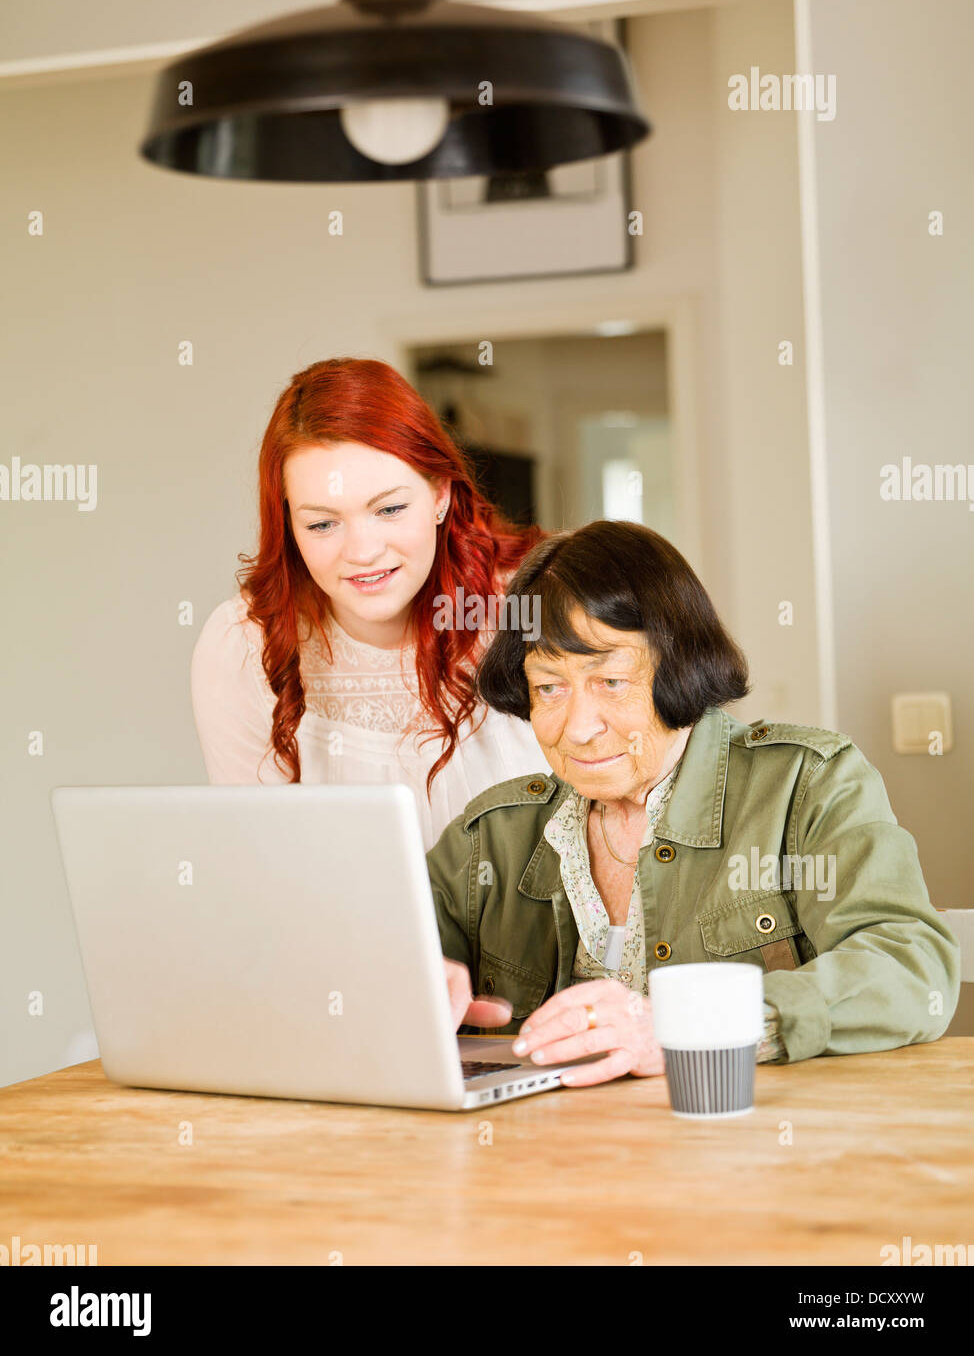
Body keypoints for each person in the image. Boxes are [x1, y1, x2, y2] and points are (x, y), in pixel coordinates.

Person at [428, 519, 961, 1081]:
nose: (578, 728)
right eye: (549, 688)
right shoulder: (491, 833)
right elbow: (366, 965)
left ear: (679, 666)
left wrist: (694, 1025)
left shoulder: (805, 784)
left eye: (610, 681)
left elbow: (910, 965)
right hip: (552, 1158)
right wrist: (402, 982)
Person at [190, 357, 549, 850]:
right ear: (289, 523)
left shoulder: (534, 605)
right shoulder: (244, 642)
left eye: (389, 509)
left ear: (441, 493)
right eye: (321, 524)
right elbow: (258, 866)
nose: (362, 553)